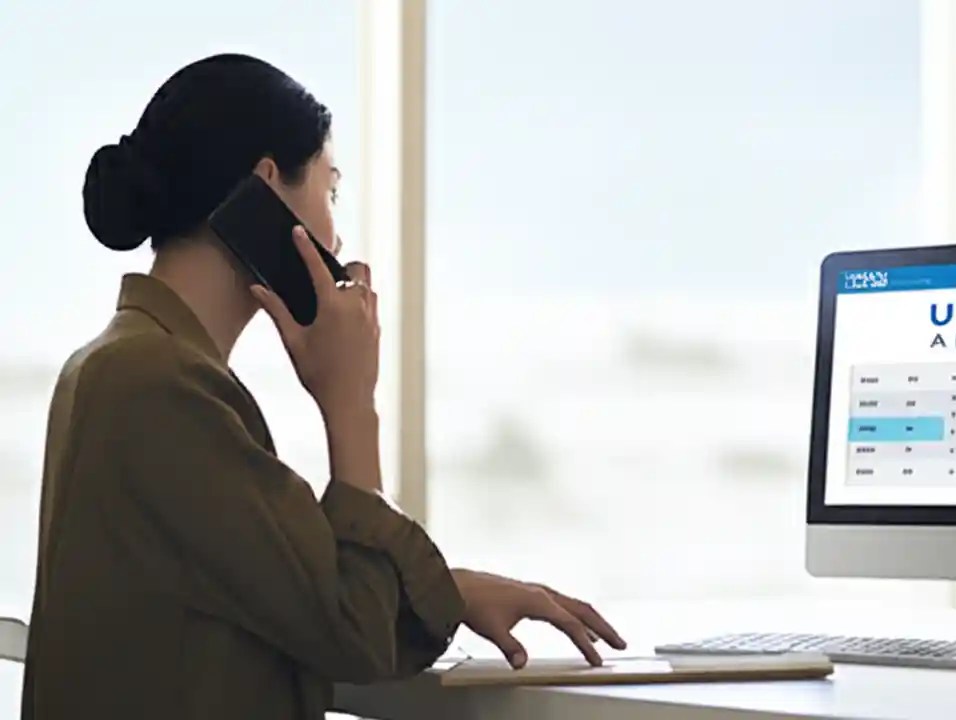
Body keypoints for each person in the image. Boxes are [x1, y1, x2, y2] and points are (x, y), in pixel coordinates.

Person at [21, 53, 625, 719]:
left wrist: (446, 591)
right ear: (267, 186)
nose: (337, 233)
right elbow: (354, 634)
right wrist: (350, 403)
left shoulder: (122, 363)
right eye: (330, 192)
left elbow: (273, 591)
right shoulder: (158, 385)